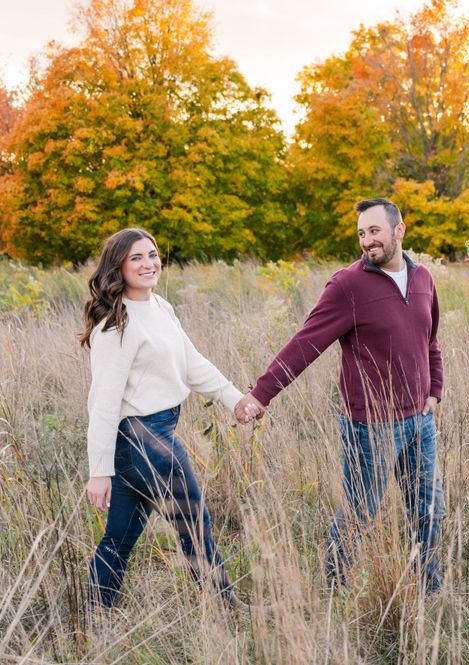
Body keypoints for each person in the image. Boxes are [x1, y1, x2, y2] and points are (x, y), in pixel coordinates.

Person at [236, 198, 445, 593]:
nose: (368, 241)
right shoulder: (348, 285)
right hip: (370, 426)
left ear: (399, 231)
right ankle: (336, 590)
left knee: (429, 512)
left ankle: (428, 592)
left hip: (421, 421)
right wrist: (262, 394)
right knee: (360, 514)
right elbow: (305, 343)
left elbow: (430, 340)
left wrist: (435, 389)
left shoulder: (423, 280)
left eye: (375, 231)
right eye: (362, 234)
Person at [79, 227, 258, 611]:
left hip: (154, 434)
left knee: (120, 535)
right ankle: (225, 607)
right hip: (143, 437)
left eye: (153, 254)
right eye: (137, 258)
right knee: (194, 521)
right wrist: (99, 470)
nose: (149, 264)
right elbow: (105, 403)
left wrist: (234, 398)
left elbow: (193, 364)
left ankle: (94, 613)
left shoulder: (161, 308)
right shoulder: (116, 325)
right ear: (119, 267)